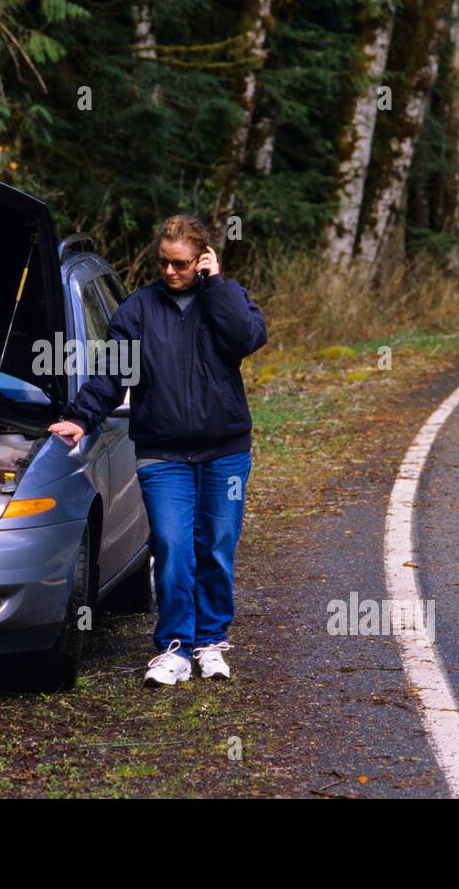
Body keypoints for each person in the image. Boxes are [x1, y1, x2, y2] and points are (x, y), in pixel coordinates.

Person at [48, 214, 267, 686]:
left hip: (225, 452)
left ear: (203, 259)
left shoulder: (226, 300)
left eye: (182, 264)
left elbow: (248, 338)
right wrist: (80, 418)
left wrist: (218, 286)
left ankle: (211, 641)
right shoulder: (138, 310)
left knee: (217, 546)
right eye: (163, 263)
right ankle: (175, 646)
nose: (170, 272)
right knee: (171, 545)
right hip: (161, 452)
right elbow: (111, 372)